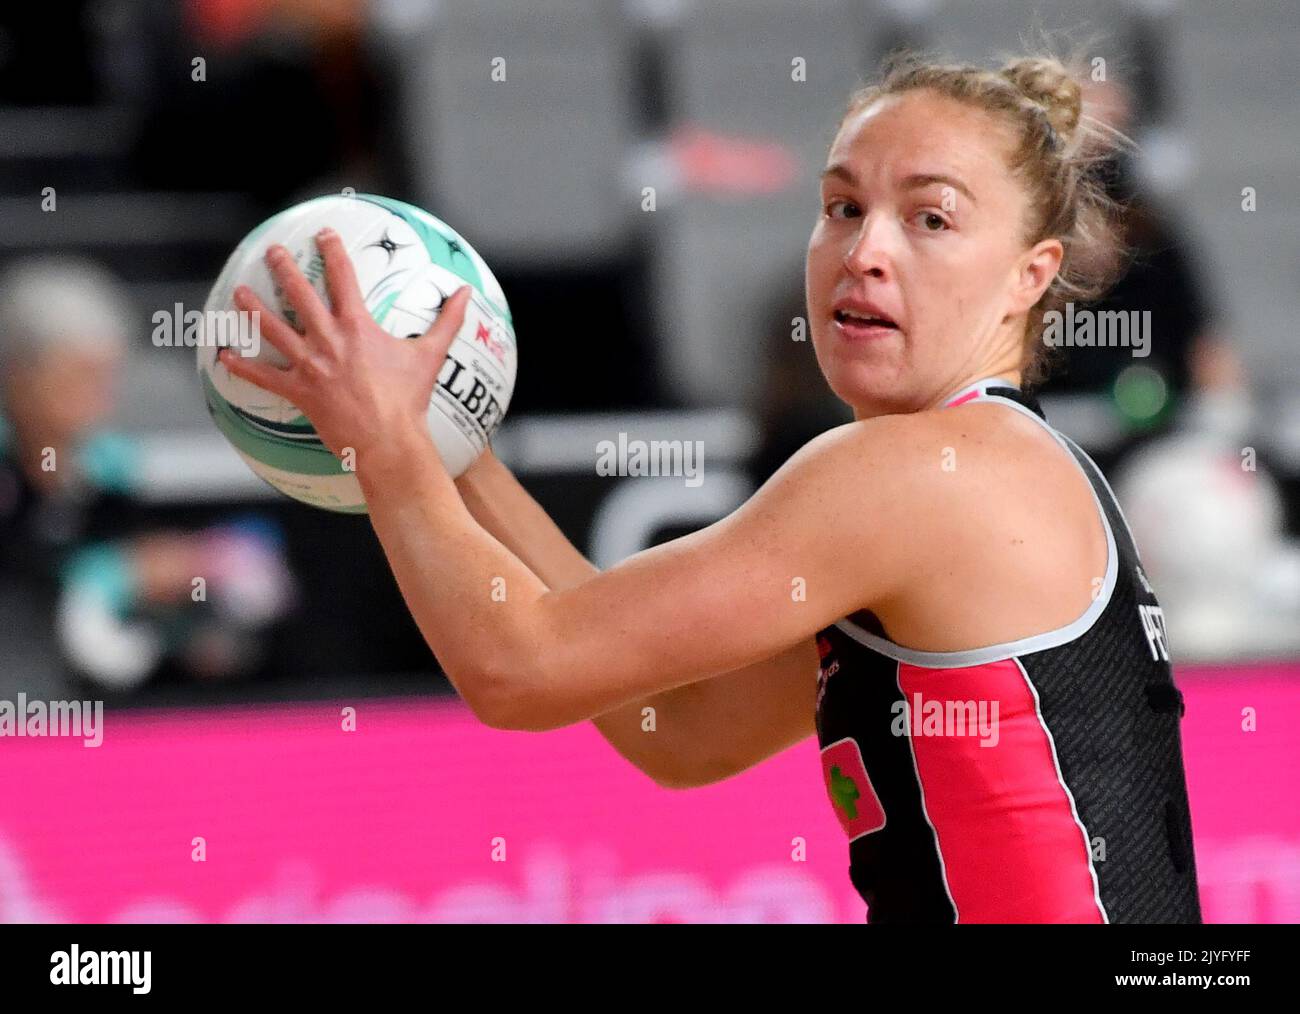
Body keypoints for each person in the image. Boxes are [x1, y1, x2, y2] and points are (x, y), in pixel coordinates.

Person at [217, 52, 1202, 924]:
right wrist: (453, 449)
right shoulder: (992, 466)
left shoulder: (915, 474)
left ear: (1030, 275)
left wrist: (388, 447)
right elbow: (681, 733)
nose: (864, 251)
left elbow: (518, 668)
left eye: (930, 219)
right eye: (842, 207)